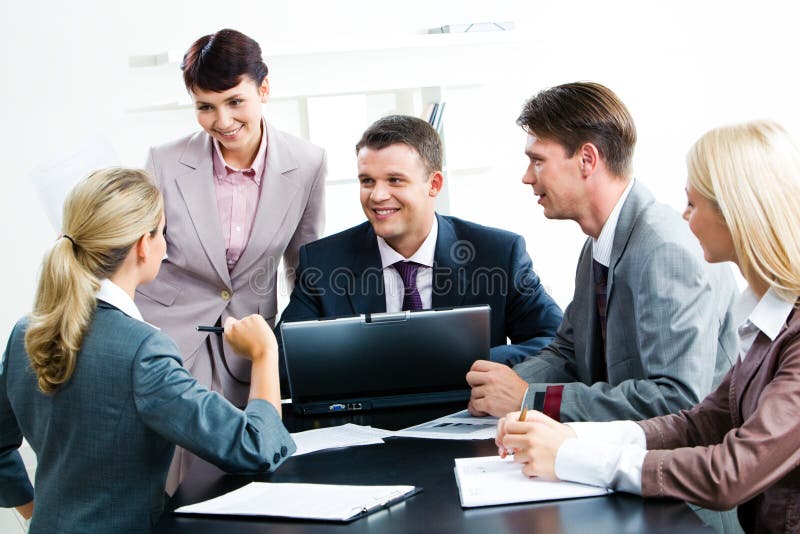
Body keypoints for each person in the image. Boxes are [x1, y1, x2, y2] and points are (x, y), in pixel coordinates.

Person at [497, 120, 800, 534]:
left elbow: (730, 473)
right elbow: (699, 423)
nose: (684, 216)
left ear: (735, 212)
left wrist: (572, 456)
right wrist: (570, 438)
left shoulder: (668, 249)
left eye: (693, 203)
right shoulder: (767, 323)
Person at [0, 168, 295, 533]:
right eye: (162, 233)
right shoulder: (142, 351)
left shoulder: (23, 333)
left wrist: (37, 512)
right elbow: (255, 447)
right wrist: (265, 353)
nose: (166, 246)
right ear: (143, 244)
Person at [468, 82, 738, 421]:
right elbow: (568, 351)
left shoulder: (665, 251)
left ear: (586, 160)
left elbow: (676, 400)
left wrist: (529, 398)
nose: (526, 177)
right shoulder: (598, 245)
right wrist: (502, 386)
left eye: (537, 161)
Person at [277, 114, 562, 386]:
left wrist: (476, 361)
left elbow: (555, 342)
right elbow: (283, 363)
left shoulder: (499, 254)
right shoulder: (323, 262)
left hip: (467, 414)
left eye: (395, 180)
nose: (377, 196)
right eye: (367, 181)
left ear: (434, 184)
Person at [134, 28, 327, 408]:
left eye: (235, 101)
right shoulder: (164, 161)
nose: (222, 121)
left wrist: (298, 347)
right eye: (205, 107)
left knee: (244, 458)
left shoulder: (307, 162)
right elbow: (134, 253)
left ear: (264, 89)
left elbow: (303, 269)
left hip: (246, 345)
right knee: (172, 464)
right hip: (166, 335)